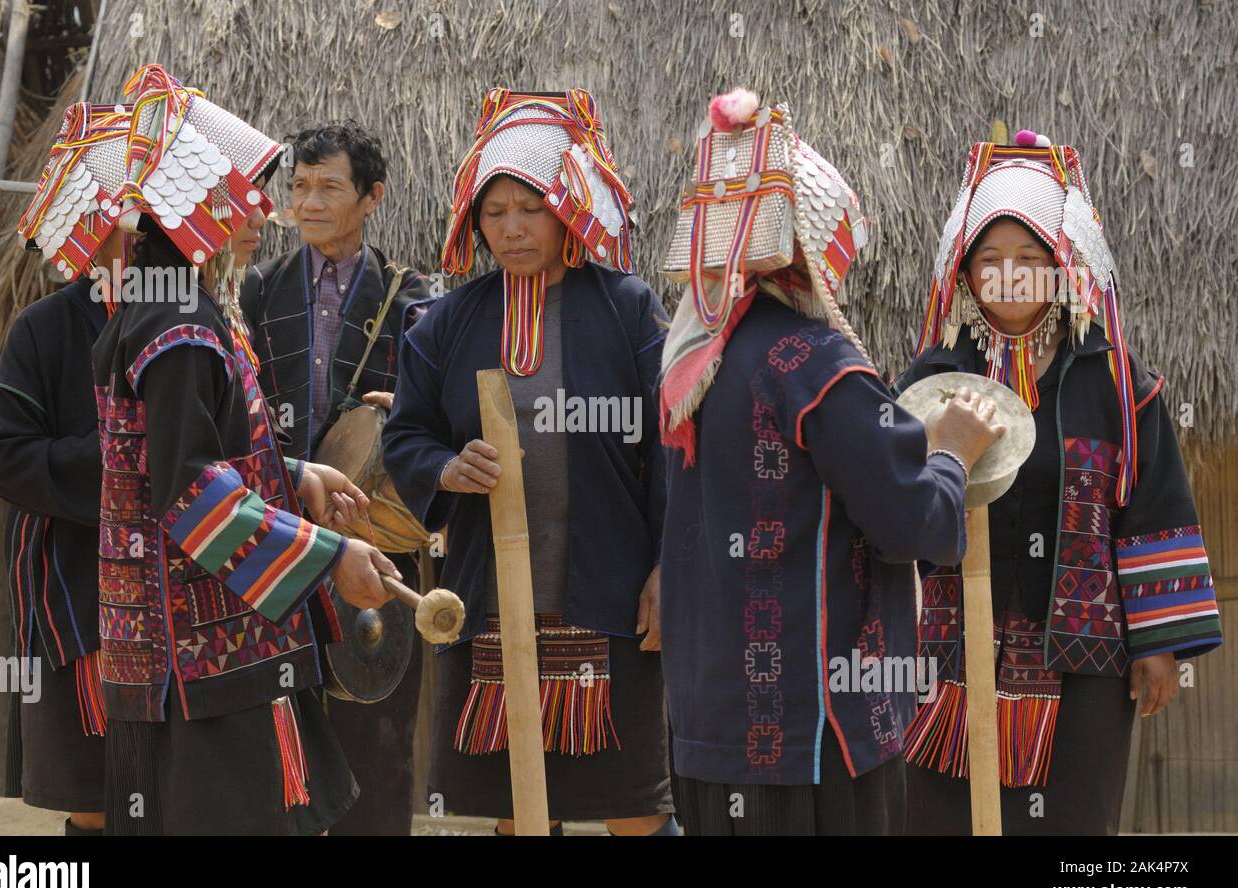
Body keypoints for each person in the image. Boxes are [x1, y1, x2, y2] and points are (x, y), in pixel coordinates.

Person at [656, 89, 1003, 835]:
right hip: (816, 740)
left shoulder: (687, 366)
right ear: (820, 255)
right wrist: (950, 452)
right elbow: (914, 523)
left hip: (705, 732)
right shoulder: (817, 366)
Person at [92, 64, 397, 835]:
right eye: (242, 196)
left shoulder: (167, 307)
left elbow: (197, 452)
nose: (265, 212)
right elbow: (191, 494)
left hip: (194, 662)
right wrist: (330, 555)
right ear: (193, 208)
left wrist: (296, 474)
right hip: (203, 672)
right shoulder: (181, 330)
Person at [898, 130, 1224, 834]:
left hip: (1084, 667)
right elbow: (888, 500)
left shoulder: (1113, 382)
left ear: (1060, 268)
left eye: (1028, 259)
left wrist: (1160, 643)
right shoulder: (934, 378)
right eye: (990, 261)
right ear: (965, 273)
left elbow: (1153, 504)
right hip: (950, 656)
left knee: (1073, 828)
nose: (1008, 276)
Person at [382, 88, 674, 835]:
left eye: (531, 207)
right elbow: (406, 435)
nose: (511, 228)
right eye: (494, 211)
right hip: (489, 596)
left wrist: (667, 567)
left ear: (567, 208)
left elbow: (677, 446)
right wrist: (447, 467)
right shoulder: (444, 322)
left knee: (636, 809)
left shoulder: (628, 309)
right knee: (517, 807)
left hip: (608, 594)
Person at [240, 122, 433, 835]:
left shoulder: (412, 297)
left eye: (328, 187)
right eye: (297, 187)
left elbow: (443, 415)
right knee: (282, 729)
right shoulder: (257, 292)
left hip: (374, 541)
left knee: (378, 730)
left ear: (372, 196)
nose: (307, 202)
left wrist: (408, 408)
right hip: (279, 538)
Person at [0, 101, 134, 835]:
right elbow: (7, 456)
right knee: (96, 793)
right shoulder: (42, 328)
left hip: (186, 590)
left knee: (186, 789)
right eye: (130, 222)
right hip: (77, 588)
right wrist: (125, 463)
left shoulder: (203, 321)